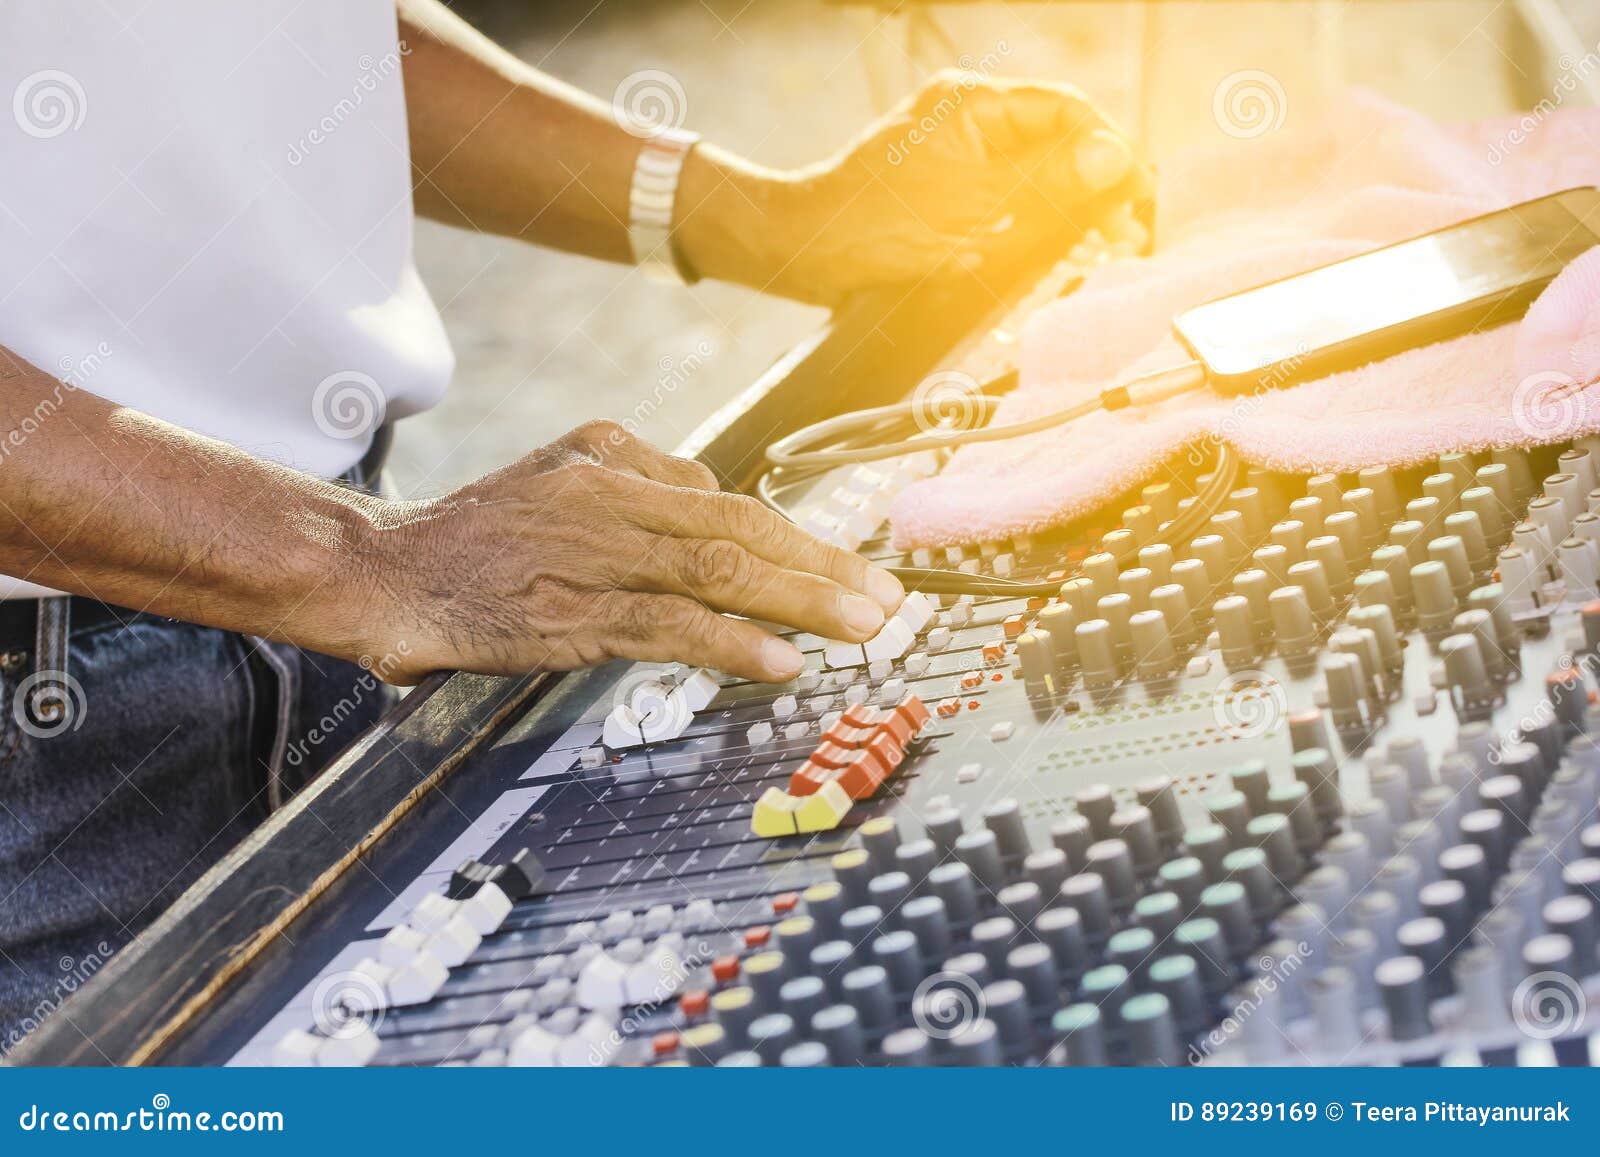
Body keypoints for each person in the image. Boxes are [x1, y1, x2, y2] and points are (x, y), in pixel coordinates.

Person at [0, 0, 1145, 1042]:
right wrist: (367, 558)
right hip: (52, 734)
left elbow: (289, 44)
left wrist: (753, 216)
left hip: (335, 603)